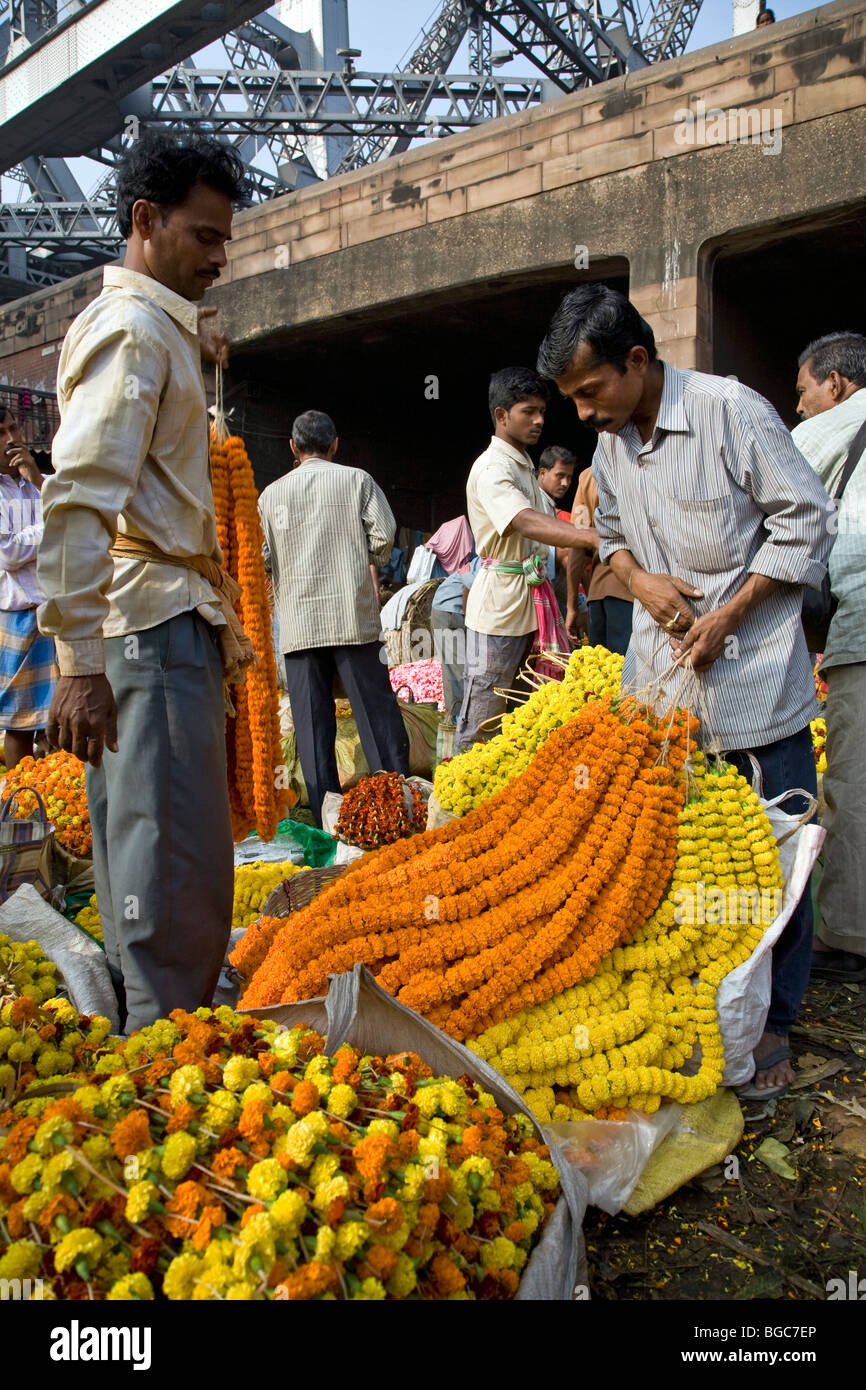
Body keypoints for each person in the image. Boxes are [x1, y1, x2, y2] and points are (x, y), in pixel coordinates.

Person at [537, 284, 833, 1098]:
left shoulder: (731, 411)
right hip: (662, 694)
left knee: (772, 866)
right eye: (571, 400)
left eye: (590, 392)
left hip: (754, 684)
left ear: (637, 360)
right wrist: (640, 579)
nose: (583, 414)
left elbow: (806, 519)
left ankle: (774, 1020)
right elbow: (614, 540)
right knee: (684, 861)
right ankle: (706, 1002)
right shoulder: (608, 450)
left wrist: (730, 608)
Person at [37, 131, 251, 1032]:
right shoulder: (132, 332)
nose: (219, 254)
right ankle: (168, 1048)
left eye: (224, 238)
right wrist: (80, 658)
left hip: (158, 624)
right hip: (149, 635)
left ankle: (151, 1027)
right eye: (203, 235)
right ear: (145, 221)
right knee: (172, 858)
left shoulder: (155, 327)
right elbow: (80, 498)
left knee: (147, 849)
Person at [258, 409, 409, 827]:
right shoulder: (357, 480)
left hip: (299, 625)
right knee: (375, 714)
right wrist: (359, 560)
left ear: (292, 447)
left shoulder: (270, 496)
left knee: (312, 726)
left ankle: (330, 818)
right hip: (351, 617)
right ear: (335, 444)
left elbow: (263, 558)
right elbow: (383, 538)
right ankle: (396, 804)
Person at [456, 368, 597, 751]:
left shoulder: (522, 466)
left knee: (524, 711)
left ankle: (506, 797)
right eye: (528, 411)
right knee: (485, 711)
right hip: (501, 608)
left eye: (542, 412)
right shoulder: (492, 468)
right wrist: (589, 536)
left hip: (531, 605)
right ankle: (457, 799)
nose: (539, 420)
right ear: (502, 416)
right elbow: (524, 521)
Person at [791, 332, 866, 982]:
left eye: (804, 393)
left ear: (836, 385)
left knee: (851, 782)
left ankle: (846, 934)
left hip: (862, 635)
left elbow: (780, 470)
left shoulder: (845, 419)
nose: (801, 408)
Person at [0, 408, 56, 768]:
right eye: (0, 432)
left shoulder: (38, 482)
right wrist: (49, 531)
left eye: (13, 427)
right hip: (17, 618)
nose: (10, 439)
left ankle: (58, 802)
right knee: (19, 724)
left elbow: (67, 520)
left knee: (57, 721)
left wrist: (37, 479)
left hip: (54, 612)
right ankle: (20, 807)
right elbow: (8, 552)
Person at [570, 466, 634, 655]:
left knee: (600, 673)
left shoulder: (589, 475)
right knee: (633, 675)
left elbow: (577, 542)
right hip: (636, 591)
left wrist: (572, 605)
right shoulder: (648, 464)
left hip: (598, 591)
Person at [431, 555, 481, 724]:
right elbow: (468, 586)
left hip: (463, 609)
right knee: (457, 672)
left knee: (472, 668)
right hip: (450, 610)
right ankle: (457, 723)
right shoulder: (492, 563)